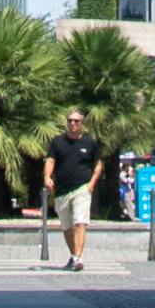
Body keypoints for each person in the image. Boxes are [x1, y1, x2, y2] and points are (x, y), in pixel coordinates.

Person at [46, 106, 101, 268]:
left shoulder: (89, 143)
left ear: (82, 123)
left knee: (80, 223)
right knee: (67, 227)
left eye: (77, 121)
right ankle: (73, 256)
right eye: (70, 121)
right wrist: (47, 177)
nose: (73, 124)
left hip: (82, 188)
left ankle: (78, 258)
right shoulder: (58, 141)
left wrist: (91, 184)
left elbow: (98, 164)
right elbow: (50, 160)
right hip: (61, 190)